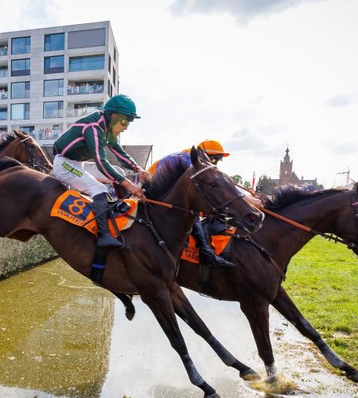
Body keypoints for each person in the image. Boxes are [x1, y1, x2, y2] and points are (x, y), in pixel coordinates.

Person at [52, 94, 150, 248]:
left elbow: (118, 152)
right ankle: (103, 235)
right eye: (125, 121)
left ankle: (121, 215)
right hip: (64, 163)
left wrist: (137, 168)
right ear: (114, 116)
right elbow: (101, 162)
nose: (126, 127)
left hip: (78, 163)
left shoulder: (107, 127)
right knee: (99, 188)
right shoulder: (93, 127)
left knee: (118, 172)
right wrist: (129, 185)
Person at [148, 140, 237, 269]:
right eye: (214, 159)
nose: (215, 164)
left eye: (217, 160)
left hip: (161, 185)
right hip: (153, 186)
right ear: (205, 155)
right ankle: (206, 250)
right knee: (191, 212)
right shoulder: (191, 161)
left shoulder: (190, 158)